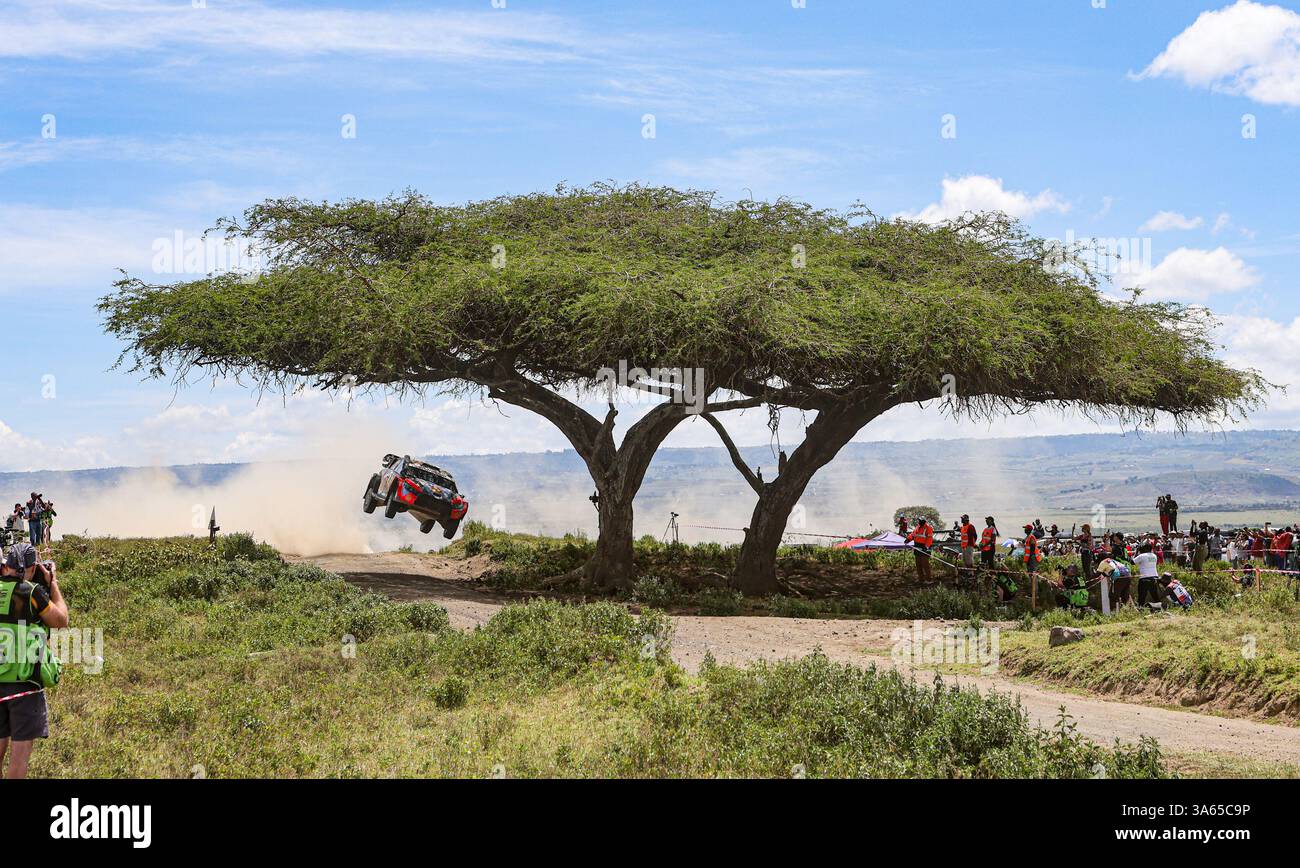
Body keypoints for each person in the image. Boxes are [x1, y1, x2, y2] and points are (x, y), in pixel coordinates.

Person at [0, 542, 69, 779]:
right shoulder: (31, 592)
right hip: (25, 684)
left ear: (6, 565)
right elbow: (60, 621)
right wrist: (53, 584)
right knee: (18, 759)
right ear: (32, 568)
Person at [1133, 542, 1160, 607]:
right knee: (1155, 595)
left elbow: (1132, 562)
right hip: (1154, 577)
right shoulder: (1154, 556)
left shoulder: (1141, 556)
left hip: (1144, 578)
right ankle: (1161, 607)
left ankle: (1140, 609)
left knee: (1142, 596)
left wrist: (1136, 552)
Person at [907, 517, 933, 582]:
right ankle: (921, 579)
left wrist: (926, 547)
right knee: (918, 564)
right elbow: (913, 535)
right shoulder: (917, 527)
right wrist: (908, 539)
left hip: (924, 549)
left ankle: (928, 580)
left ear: (923, 521)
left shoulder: (928, 528)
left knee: (925, 565)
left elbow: (929, 539)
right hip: (917, 547)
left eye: (920, 521)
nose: (918, 522)